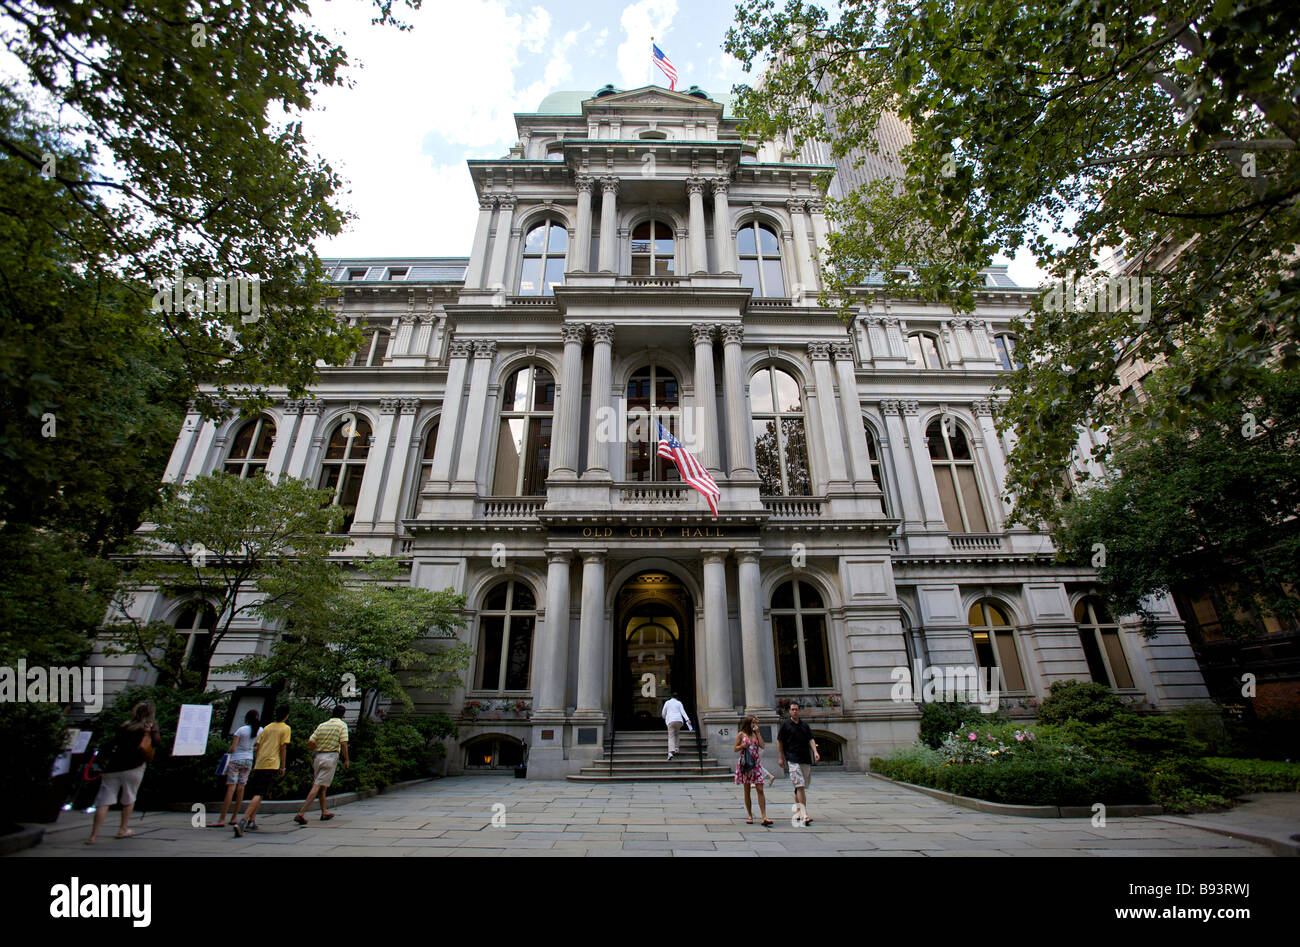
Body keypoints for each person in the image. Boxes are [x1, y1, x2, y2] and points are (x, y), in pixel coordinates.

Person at [86, 701, 161, 845]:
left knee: (104, 801)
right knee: (129, 797)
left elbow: (111, 744)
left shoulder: (124, 726)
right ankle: (123, 829)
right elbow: (157, 742)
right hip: (135, 766)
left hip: (114, 766)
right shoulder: (150, 727)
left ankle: (93, 835)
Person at [233, 704, 291, 837]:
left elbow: (258, 746)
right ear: (286, 715)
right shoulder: (285, 728)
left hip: (259, 762)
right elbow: (283, 748)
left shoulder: (267, 727)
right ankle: (243, 821)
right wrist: (283, 766)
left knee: (258, 792)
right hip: (271, 763)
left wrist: (256, 762)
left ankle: (252, 821)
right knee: (259, 793)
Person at [293, 706, 349, 825]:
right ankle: (301, 813)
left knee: (322, 786)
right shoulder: (342, 725)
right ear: (343, 715)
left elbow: (310, 742)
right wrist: (346, 759)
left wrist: (313, 751)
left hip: (318, 757)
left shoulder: (322, 725)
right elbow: (343, 743)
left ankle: (324, 812)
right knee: (318, 785)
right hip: (330, 757)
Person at [213, 708, 261, 827]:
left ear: (247, 719)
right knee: (241, 788)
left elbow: (233, 748)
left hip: (236, 759)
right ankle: (234, 817)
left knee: (231, 788)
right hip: (249, 759)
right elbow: (258, 747)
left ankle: (222, 818)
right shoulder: (260, 730)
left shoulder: (241, 730)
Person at [777, 702, 819, 826]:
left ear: (799, 711)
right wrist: (781, 758)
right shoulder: (785, 725)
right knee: (800, 786)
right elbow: (780, 742)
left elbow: (811, 739)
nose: (795, 711)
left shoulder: (804, 725)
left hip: (805, 758)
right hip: (792, 758)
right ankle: (805, 814)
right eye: (792, 709)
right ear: (789, 711)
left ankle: (799, 811)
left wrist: (815, 752)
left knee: (800, 787)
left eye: (796, 709)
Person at [733, 715, 773, 826]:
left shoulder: (756, 733)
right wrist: (742, 746)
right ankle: (749, 815)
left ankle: (764, 816)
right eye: (753, 723)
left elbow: (763, 745)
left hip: (756, 764)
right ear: (747, 723)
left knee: (760, 789)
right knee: (747, 790)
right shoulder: (741, 734)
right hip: (746, 764)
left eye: (755, 723)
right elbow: (735, 748)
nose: (754, 725)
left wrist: (758, 732)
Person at [660, 691, 692, 760]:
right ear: (677, 697)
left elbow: (663, 713)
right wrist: (687, 719)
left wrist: (665, 717)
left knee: (671, 736)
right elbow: (683, 712)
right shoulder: (679, 703)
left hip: (671, 721)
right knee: (677, 734)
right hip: (679, 721)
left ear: (671, 696)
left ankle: (670, 752)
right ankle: (677, 748)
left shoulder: (667, 703)